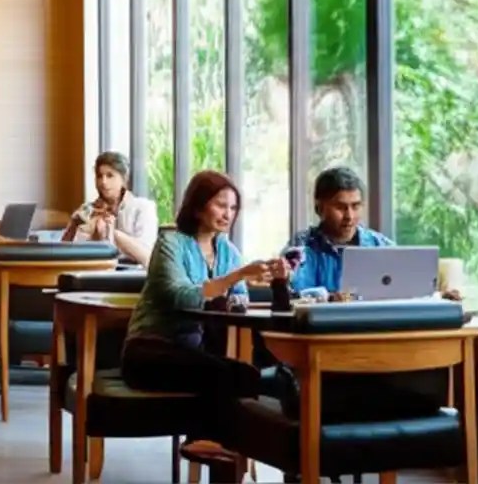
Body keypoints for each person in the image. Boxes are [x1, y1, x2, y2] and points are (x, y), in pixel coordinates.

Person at [119, 170, 271, 445]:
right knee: (235, 377)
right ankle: (209, 447)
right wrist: (235, 277)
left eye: (233, 207)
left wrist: (272, 280)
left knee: (242, 375)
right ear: (199, 207)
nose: (228, 214)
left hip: (197, 353)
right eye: (221, 205)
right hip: (150, 352)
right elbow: (179, 296)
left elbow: (240, 302)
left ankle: (209, 448)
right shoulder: (170, 243)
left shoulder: (228, 251)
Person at [282, 166, 460, 301]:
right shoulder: (302, 246)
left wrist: (439, 297)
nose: (349, 216)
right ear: (319, 208)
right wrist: (328, 298)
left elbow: (408, 291)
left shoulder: (380, 245)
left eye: (356, 206)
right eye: (340, 207)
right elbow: (291, 297)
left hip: (375, 332)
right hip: (321, 335)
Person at [61, 151, 158, 266]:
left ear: (124, 179)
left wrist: (113, 233)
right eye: (99, 176)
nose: (103, 182)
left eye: (110, 175)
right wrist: (73, 226)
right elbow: (66, 256)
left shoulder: (142, 208)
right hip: (93, 273)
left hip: (132, 276)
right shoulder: (88, 210)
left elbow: (146, 257)